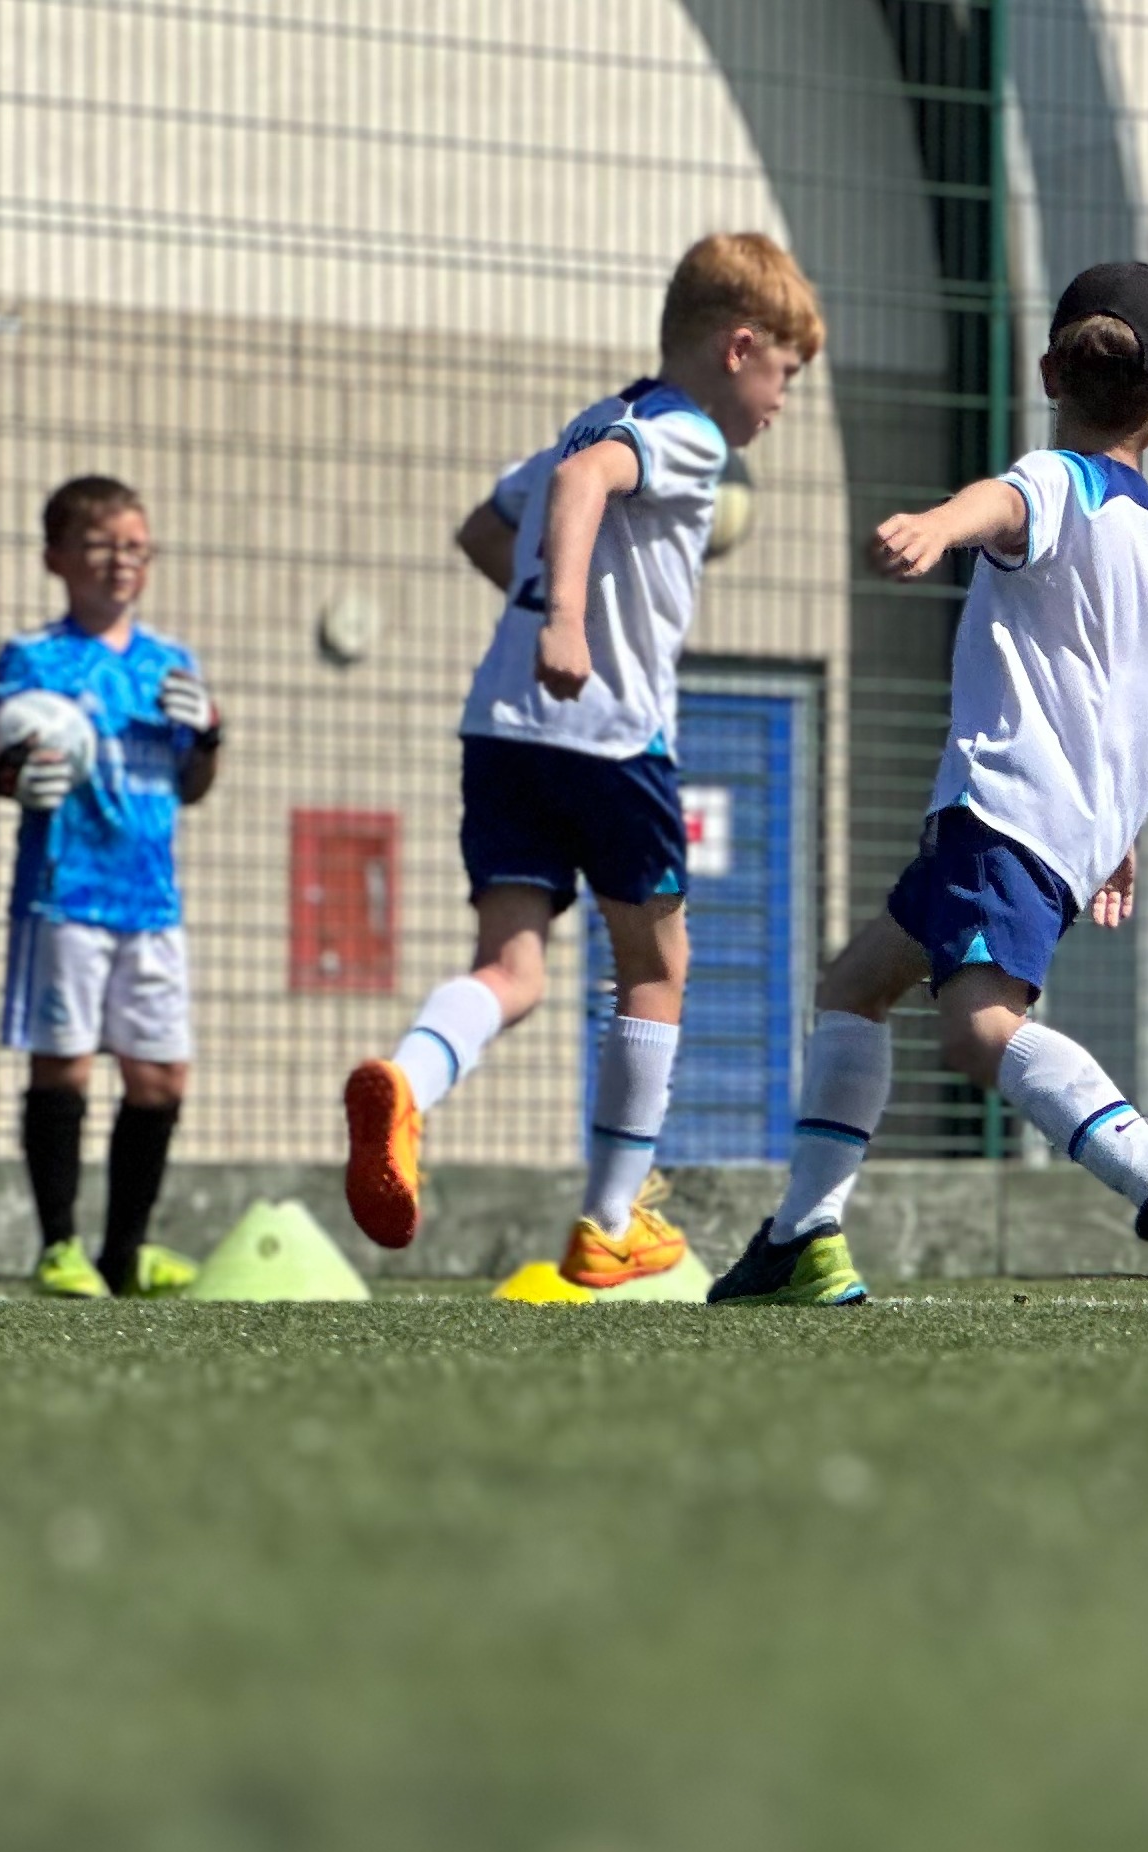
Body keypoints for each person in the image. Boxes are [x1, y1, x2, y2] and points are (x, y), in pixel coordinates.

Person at [712, 261, 1148, 1309]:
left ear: (1051, 370)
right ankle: (803, 1237)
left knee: (977, 1031)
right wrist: (1114, 826)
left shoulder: (1058, 479)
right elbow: (1137, 710)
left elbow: (1004, 502)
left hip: (999, 813)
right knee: (858, 983)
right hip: (1051, 824)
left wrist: (935, 527)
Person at [338, 231, 823, 1287]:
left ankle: (408, 1084)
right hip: (610, 735)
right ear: (741, 347)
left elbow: (484, 525)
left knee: (512, 968)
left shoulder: (594, 413)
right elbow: (591, 486)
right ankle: (608, 1221)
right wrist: (570, 617)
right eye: (787, 374)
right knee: (657, 968)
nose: (783, 403)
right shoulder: (683, 432)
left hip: (504, 729)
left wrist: (546, 612)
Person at [0, 475, 221, 1297]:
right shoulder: (32, 658)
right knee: (64, 1067)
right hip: (65, 889)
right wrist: (12, 776)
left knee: (159, 1077)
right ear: (57, 558)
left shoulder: (170, 662)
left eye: (135, 547)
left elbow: (193, 786)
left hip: (151, 897)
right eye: (103, 545)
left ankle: (126, 1251)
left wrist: (210, 733)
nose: (121, 562)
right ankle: (60, 1246)